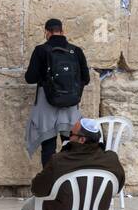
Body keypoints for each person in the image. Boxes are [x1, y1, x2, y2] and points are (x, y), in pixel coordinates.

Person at [25, 18, 90, 170]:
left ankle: (50, 186)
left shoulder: (41, 50)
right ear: (62, 31)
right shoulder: (76, 50)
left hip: (47, 105)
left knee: (48, 146)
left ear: (46, 32)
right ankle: (68, 183)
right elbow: (85, 79)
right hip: (70, 106)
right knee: (70, 144)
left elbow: (30, 78)